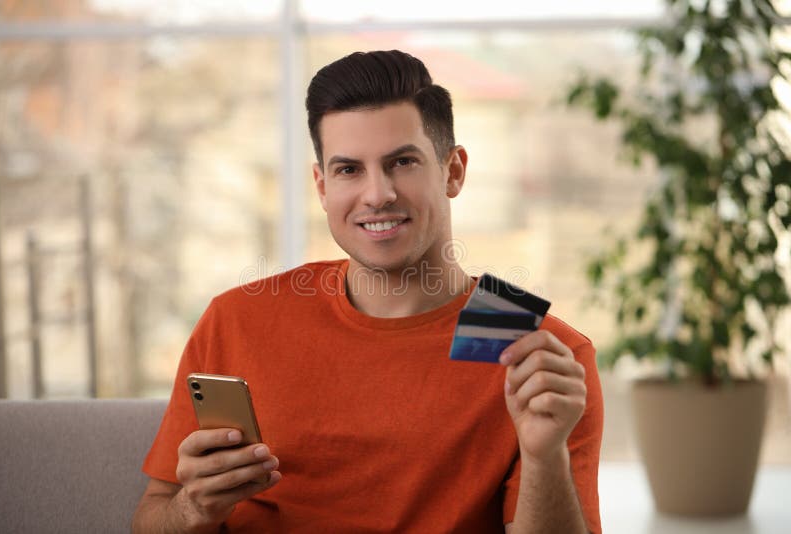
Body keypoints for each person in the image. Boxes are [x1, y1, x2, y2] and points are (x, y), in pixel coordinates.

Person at [132, 49, 603, 534]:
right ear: (321, 186)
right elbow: (150, 519)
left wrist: (545, 457)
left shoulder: (542, 355)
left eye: (402, 162)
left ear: (453, 171)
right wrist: (194, 508)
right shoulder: (237, 320)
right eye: (348, 170)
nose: (377, 194)